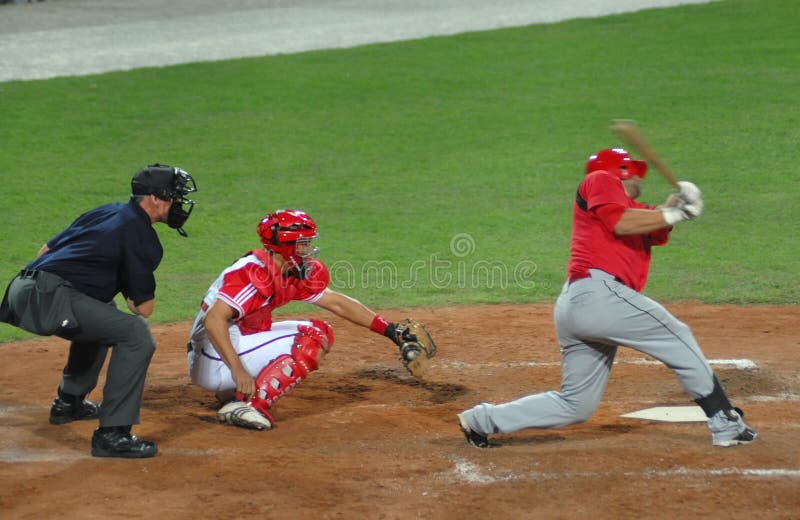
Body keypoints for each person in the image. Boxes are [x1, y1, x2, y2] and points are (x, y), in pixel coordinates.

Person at [457, 148, 757, 448]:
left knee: (576, 405)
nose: (640, 176)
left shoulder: (629, 208)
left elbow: (649, 224)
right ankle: (724, 421)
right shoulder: (600, 179)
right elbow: (622, 223)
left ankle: (481, 419)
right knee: (677, 334)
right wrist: (674, 212)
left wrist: (676, 206)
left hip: (578, 306)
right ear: (622, 170)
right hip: (599, 296)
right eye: (635, 171)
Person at [0, 164, 198, 458]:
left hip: (21, 288)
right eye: (175, 197)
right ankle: (113, 434)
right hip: (49, 298)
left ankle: (69, 403)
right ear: (155, 198)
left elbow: (44, 251)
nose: (179, 204)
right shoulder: (140, 234)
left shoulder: (108, 211)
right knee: (135, 334)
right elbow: (143, 308)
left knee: (105, 311)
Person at [187, 208, 423, 430]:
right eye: (303, 243)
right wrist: (237, 371)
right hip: (213, 358)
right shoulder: (252, 273)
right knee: (313, 336)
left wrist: (391, 330)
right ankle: (251, 406)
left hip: (221, 350)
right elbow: (214, 320)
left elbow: (337, 303)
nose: (309, 249)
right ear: (285, 247)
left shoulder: (287, 269)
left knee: (293, 328)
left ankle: (230, 393)